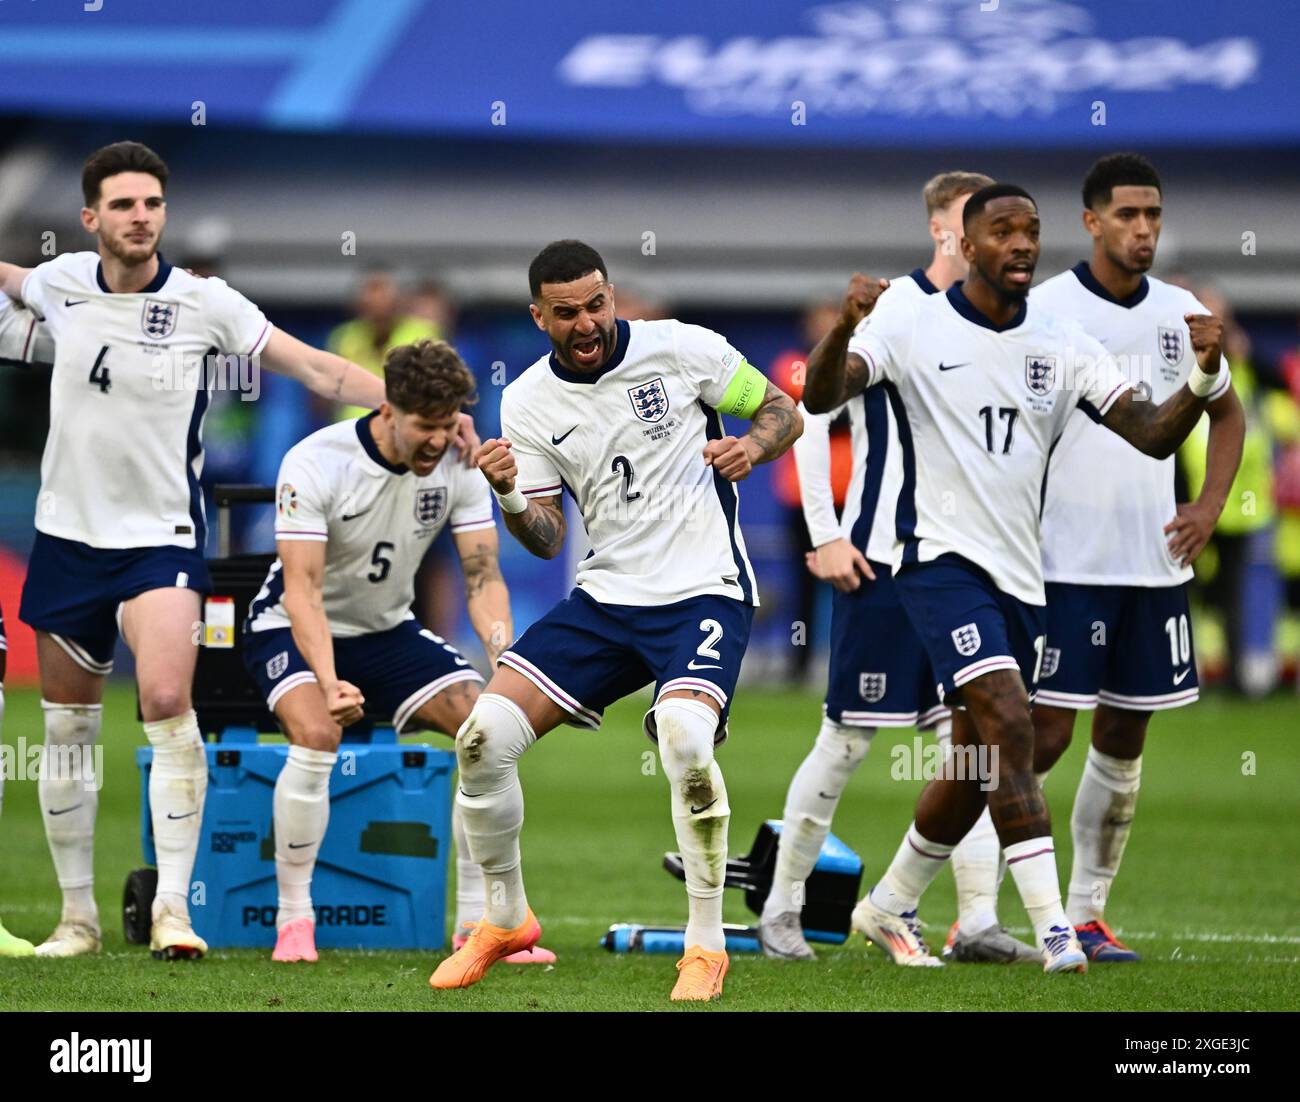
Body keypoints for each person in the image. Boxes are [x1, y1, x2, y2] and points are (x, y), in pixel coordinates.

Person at [0, 140, 474, 960]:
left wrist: (422, 412)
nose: (140, 216)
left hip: (162, 541)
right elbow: (12, 280)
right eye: (122, 205)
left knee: (165, 702)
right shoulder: (61, 282)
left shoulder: (205, 302)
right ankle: (75, 920)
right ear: (91, 219)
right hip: (68, 536)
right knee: (67, 728)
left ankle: (174, 914)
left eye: (151, 203)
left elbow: (320, 371)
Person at [803, 184, 1229, 973]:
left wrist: (1203, 378)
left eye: (1031, 231)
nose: (1022, 244)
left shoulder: (1061, 340)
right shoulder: (908, 316)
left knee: (974, 760)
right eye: (1003, 231)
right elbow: (821, 394)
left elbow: (1150, 434)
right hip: (934, 561)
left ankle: (889, 905)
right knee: (1011, 720)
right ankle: (1056, 931)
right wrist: (843, 330)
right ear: (966, 246)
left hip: (1024, 576)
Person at [430, 239, 801, 1001]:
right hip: (608, 600)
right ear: (540, 317)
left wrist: (752, 450)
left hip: (704, 588)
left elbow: (782, 409)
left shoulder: (681, 349)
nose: (588, 323)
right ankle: (504, 920)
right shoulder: (529, 400)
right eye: (566, 313)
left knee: (685, 740)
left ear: (611, 294)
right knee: (482, 739)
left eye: (596, 304)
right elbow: (548, 535)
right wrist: (505, 494)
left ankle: (704, 944)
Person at [762, 170, 1038, 966]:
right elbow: (813, 416)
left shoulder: (1012, 321)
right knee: (847, 739)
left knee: (978, 743)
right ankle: (781, 909)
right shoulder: (895, 312)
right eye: (967, 221)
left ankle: (977, 920)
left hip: (975, 569)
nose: (985, 236)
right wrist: (826, 533)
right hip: (884, 561)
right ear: (941, 229)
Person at [243, 339, 552, 965]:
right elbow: (300, 591)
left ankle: (480, 926)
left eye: (448, 424)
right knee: (317, 733)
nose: (438, 441)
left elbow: (482, 575)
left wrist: (505, 658)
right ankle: (294, 922)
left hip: (386, 631)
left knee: (483, 733)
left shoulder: (459, 462)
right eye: (425, 427)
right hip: (289, 627)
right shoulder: (315, 462)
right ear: (387, 410)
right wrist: (328, 681)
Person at [1030, 156, 1243, 962]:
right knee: (1041, 738)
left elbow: (1229, 418)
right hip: (1060, 562)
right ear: (1091, 222)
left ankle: (1087, 914)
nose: (1143, 229)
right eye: (1127, 215)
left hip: (1151, 567)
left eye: (1152, 214)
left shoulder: (1186, 315)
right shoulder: (1043, 310)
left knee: (1123, 742)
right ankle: (976, 908)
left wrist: (1210, 507)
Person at [328, 271, 440, 421]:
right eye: (370, 304)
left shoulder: (423, 334)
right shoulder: (345, 336)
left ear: (397, 303)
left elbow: (435, 389)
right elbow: (327, 393)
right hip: (351, 427)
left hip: (403, 426)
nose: (377, 309)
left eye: (383, 302)